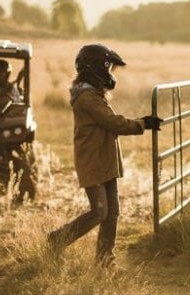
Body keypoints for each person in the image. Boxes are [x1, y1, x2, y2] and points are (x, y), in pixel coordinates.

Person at [47, 44, 162, 266]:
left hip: (103, 159)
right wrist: (143, 123)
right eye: (108, 67)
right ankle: (56, 240)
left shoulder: (91, 93)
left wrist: (141, 122)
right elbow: (112, 122)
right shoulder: (87, 97)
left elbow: (110, 122)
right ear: (96, 68)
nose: (109, 73)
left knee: (112, 213)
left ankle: (105, 261)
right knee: (99, 212)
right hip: (93, 161)